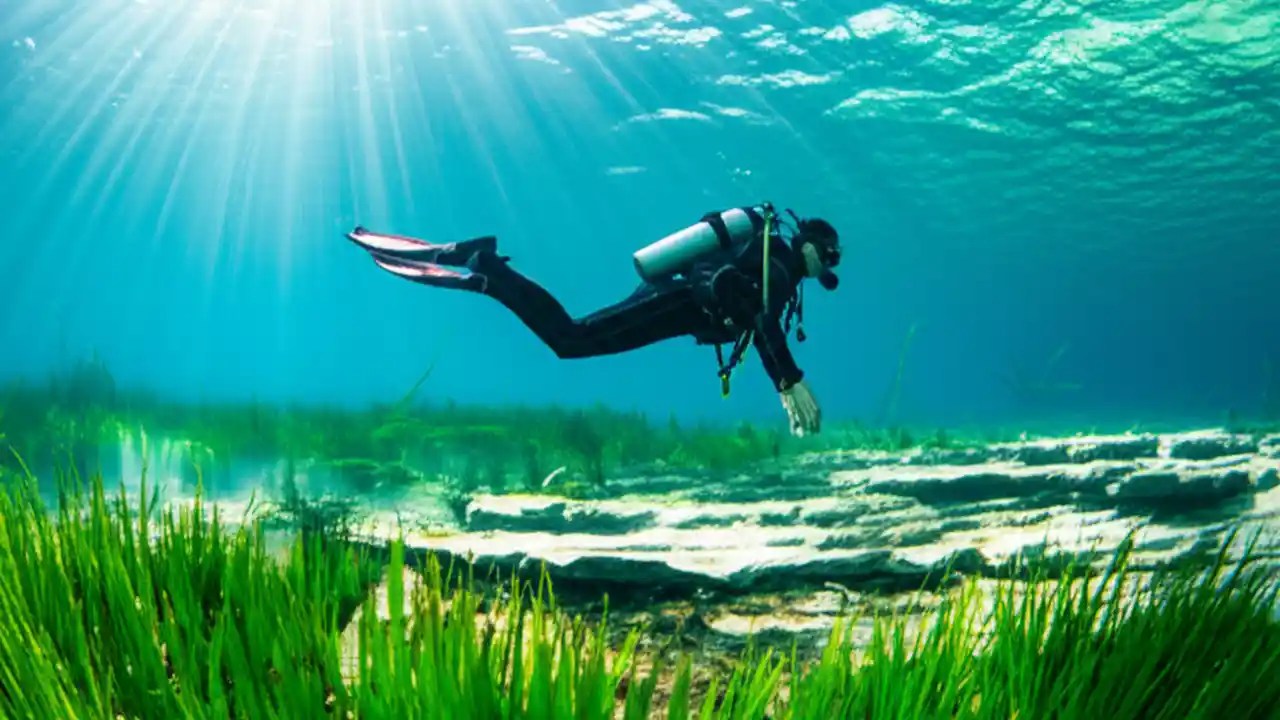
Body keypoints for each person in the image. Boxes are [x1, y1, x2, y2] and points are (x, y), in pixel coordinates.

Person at [344, 202, 842, 437]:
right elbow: (737, 296)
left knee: (572, 339)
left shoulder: (774, 261)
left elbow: (750, 312)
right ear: (814, 246)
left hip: (676, 301)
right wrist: (787, 379)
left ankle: (487, 273)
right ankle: (487, 270)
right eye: (831, 256)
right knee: (572, 339)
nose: (831, 266)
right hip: (678, 301)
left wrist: (782, 374)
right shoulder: (776, 261)